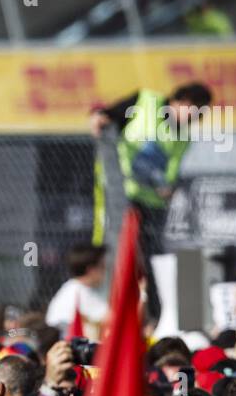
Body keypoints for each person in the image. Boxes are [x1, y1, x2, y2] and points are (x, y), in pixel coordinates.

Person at [91, 81, 213, 320]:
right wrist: (99, 118)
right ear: (183, 101)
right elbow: (107, 116)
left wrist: (167, 187)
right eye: (196, 110)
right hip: (120, 196)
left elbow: (172, 175)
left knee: (147, 260)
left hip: (152, 207)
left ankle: (150, 314)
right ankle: (110, 306)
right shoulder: (146, 102)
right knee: (115, 250)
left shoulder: (183, 137)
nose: (197, 117)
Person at [44, 244, 108, 338]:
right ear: (91, 270)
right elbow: (110, 319)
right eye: (102, 266)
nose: (105, 270)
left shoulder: (76, 288)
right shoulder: (76, 293)